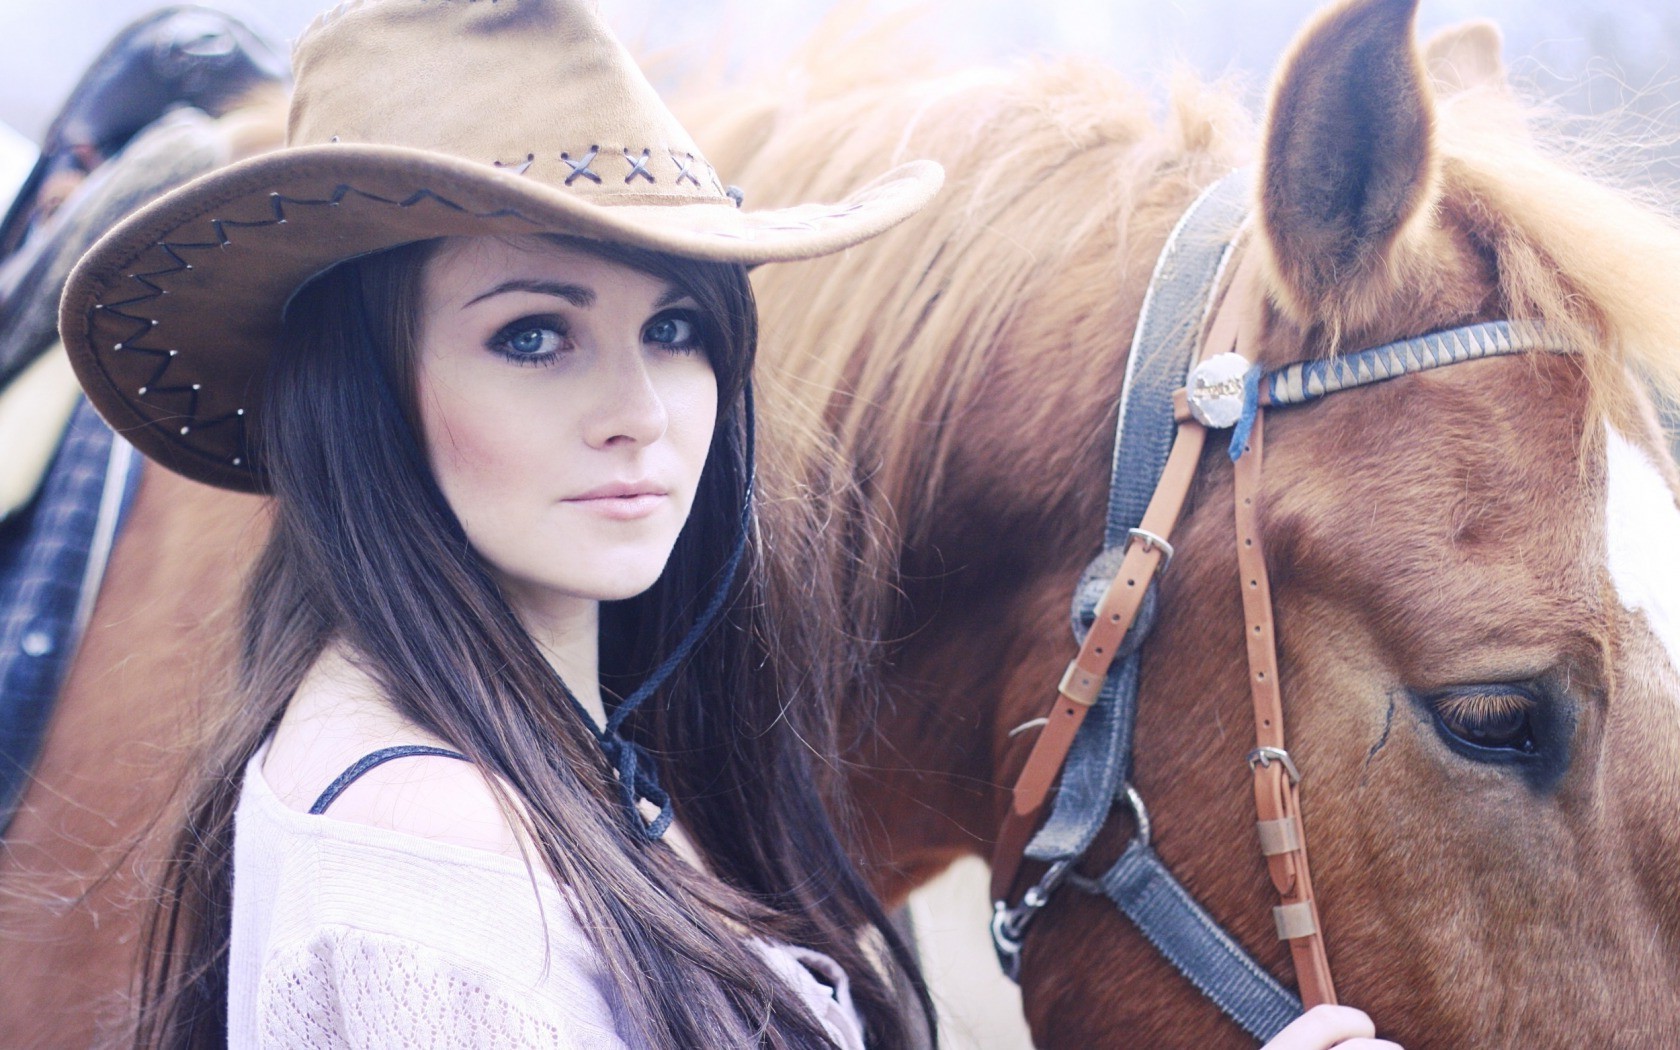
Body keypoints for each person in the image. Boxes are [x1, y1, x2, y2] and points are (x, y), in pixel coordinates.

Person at [58, 1, 1398, 1047]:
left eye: (678, 326)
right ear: (362, 390)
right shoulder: (442, 892)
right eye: (534, 334)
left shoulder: (549, 751)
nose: (642, 409)